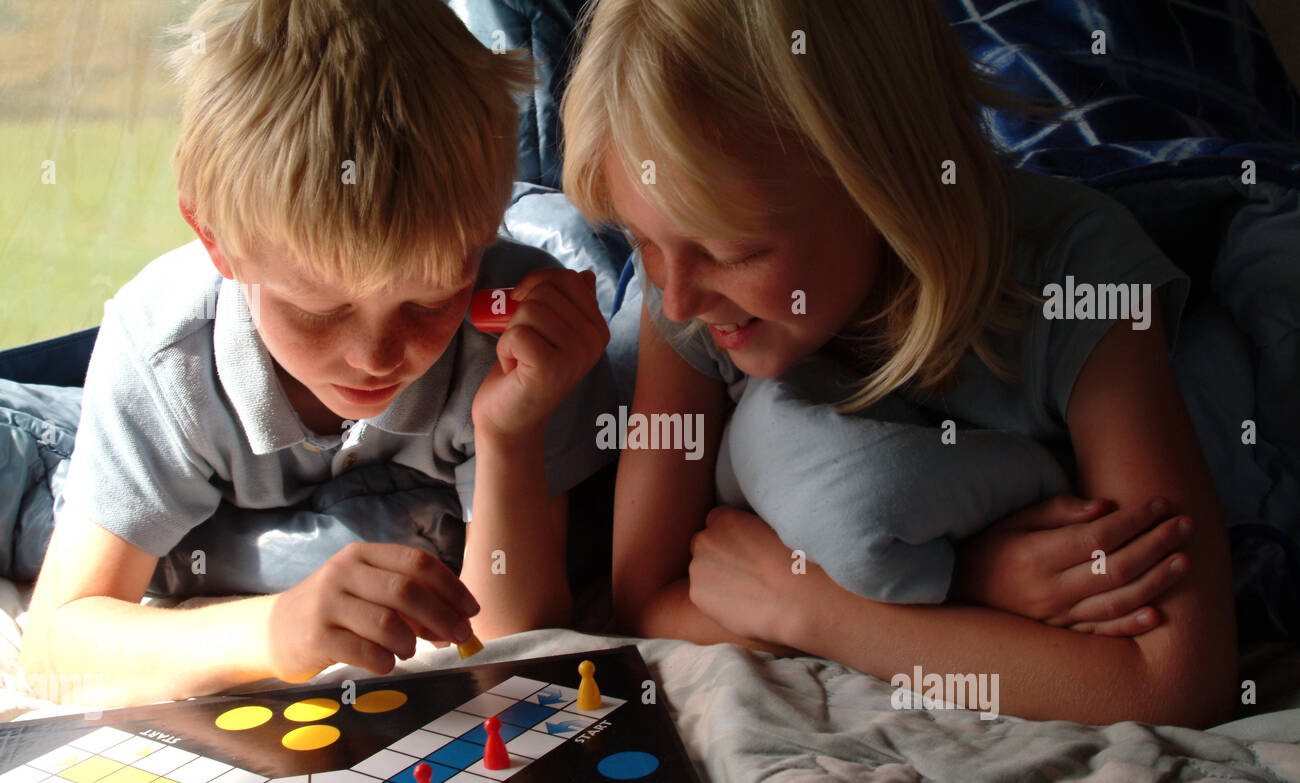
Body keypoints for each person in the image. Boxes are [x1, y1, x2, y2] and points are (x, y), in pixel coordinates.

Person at [560, 0, 1236, 726]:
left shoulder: (1081, 279)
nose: (677, 294)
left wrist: (815, 609)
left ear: (888, 179)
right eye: (643, 241)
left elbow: (1174, 683)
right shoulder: (682, 295)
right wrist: (971, 581)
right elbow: (645, 599)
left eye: (734, 252)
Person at [19, 0, 615, 707]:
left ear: (487, 229)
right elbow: (57, 645)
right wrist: (277, 629)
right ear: (216, 240)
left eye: (428, 302)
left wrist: (510, 435)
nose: (376, 354)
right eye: (318, 310)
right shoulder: (163, 349)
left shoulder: (514, 334)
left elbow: (513, 640)